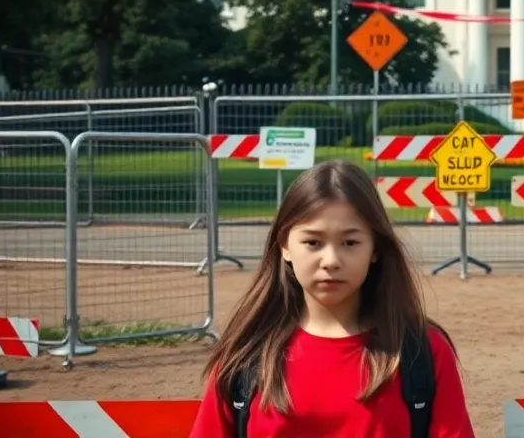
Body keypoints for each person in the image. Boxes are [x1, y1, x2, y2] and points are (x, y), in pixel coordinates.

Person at [189, 160, 475, 437]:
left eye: (350, 243)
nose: (331, 260)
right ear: (284, 247)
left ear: (375, 249)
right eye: (313, 242)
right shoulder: (247, 353)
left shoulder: (421, 352)